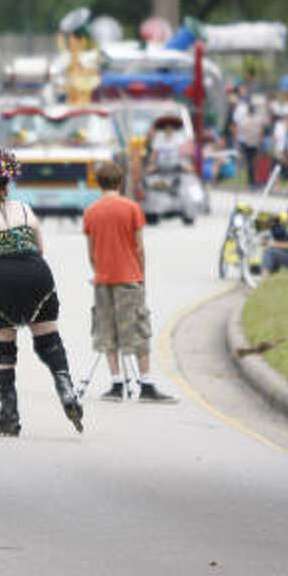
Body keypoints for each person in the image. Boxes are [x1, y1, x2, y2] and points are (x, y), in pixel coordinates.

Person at [0, 147, 84, 436]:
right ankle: (65, 384)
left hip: (0, 279)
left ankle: (8, 409)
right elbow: (40, 247)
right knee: (48, 338)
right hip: (37, 274)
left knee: (3, 344)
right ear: (8, 185)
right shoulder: (24, 209)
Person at [82, 161, 175, 403]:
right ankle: (145, 384)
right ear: (120, 182)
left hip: (103, 279)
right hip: (129, 277)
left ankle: (116, 384)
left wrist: (100, 270)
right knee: (138, 329)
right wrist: (141, 275)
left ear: (98, 183)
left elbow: (91, 251)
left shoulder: (90, 211)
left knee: (106, 329)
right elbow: (139, 247)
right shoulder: (132, 208)